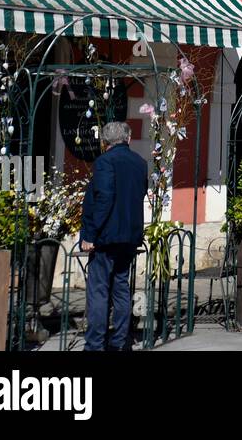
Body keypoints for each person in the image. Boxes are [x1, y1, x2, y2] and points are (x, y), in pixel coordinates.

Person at [79, 121, 148, 351]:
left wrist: (90, 233)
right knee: (120, 288)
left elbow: (104, 199)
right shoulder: (139, 163)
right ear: (127, 139)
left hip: (106, 237)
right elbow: (140, 193)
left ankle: (95, 345)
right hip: (129, 236)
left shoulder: (104, 162)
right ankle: (119, 341)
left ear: (104, 142)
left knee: (99, 291)